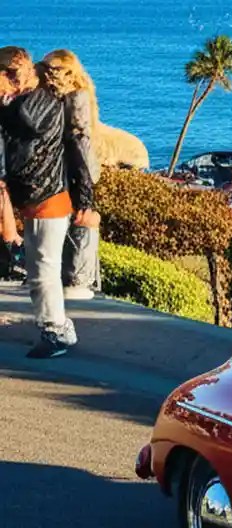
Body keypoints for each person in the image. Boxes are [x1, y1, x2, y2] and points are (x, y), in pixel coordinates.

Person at [0, 46, 94, 358]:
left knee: (43, 269)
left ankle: (56, 332)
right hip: (39, 196)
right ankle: (57, 328)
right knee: (40, 267)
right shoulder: (30, 102)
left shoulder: (34, 104)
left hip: (47, 197)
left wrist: (85, 198)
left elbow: (26, 121)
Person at [38, 49, 102, 300]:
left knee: (79, 221)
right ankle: (74, 278)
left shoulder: (75, 100)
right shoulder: (70, 97)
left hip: (74, 172)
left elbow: (79, 142)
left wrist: (85, 191)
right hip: (70, 171)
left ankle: (77, 279)